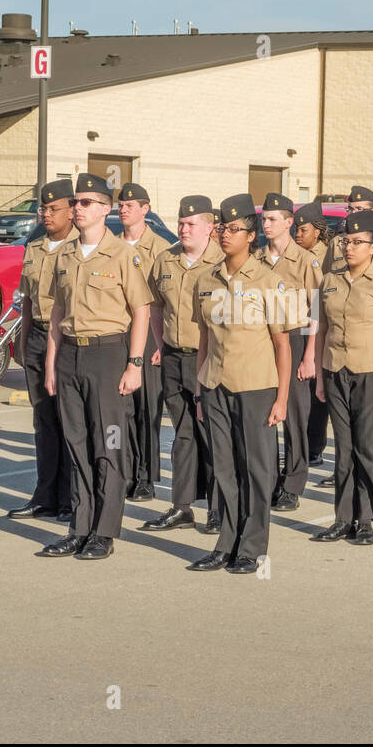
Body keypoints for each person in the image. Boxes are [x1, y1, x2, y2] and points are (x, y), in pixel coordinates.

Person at [40, 173, 153, 561]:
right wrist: (52, 364)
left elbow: (141, 310)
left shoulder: (123, 254)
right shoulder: (66, 254)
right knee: (77, 445)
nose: (78, 208)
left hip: (108, 356)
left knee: (109, 444)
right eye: (76, 202)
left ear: (106, 209)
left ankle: (104, 531)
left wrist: (134, 364)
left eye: (86, 203)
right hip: (71, 354)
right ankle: (80, 527)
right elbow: (57, 312)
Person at [188, 193, 290, 574]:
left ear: (251, 235)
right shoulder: (204, 279)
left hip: (256, 387)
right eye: (221, 228)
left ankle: (252, 547)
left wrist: (282, 398)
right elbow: (204, 339)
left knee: (257, 470)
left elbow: (283, 344)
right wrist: (200, 389)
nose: (224, 234)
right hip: (216, 385)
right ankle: (226, 543)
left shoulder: (272, 281)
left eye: (233, 229)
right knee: (224, 470)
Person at [312, 209, 373, 543]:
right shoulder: (329, 281)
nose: (349, 247)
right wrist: (321, 377)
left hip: (372, 373)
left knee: (369, 449)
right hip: (336, 371)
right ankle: (342, 518)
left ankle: (365, 517)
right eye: (345, 241)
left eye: (357, 242)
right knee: (344, 449)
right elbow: (322, 329)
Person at [141, 195, 224, 533]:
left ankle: (220, 508)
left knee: (214, 436)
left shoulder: (221, 264)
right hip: (175, 358)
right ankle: (182, 506)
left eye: (191, 224)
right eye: (181, 222)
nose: (183, 228)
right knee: (183, 435)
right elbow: (156, 307)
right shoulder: (166, 259)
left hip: (210, 360)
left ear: (209, 227)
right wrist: (160, 346)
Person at [7, 179, 77, 522]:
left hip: (68, 339)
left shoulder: (81, 248)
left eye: (53, 208)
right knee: (43, 421)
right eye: (43, 209)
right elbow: (29, 301)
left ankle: (70, 497)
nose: (46, 214)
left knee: (69, 422)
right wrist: (22, 343)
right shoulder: (34, 248)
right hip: (37, 337)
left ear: (72, 210)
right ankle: (44, 495)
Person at [257, 192, 321, 512]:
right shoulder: (255, 259)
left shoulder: (306, 261)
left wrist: (310, 354)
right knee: (266, 412)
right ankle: (268, 480)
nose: (266, 224)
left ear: (288, 221)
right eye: (263, 219)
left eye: (272, 219)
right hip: (261, 342)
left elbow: (317, 310)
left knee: (294, 414)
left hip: (294, 340)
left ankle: (293, 483)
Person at [117, 182, 173, 502]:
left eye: (130, 205)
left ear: (145, 209)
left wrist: (163, 343)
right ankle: (125, 470)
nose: (123, 209)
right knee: (122, 407)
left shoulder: (161, 249)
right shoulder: (110, 246)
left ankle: (146, 475)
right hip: (117, 331)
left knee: (147, 407)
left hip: (150, 332)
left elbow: (168, 299)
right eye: (121, 205)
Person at [294, 201, 331, 467]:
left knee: (315, 395)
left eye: (303, 229)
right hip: (299, 328)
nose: (298, 234)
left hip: (316, 328)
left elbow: (319, 301)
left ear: (317, 231)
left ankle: (314, 446)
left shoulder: (320, 257)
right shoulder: (296, 254)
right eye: (296, 229)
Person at [322, 186, 373, 275]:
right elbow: (325, 279)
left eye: (359, 209)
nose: (353, 213)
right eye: (350, 209)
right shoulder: (336, 242)